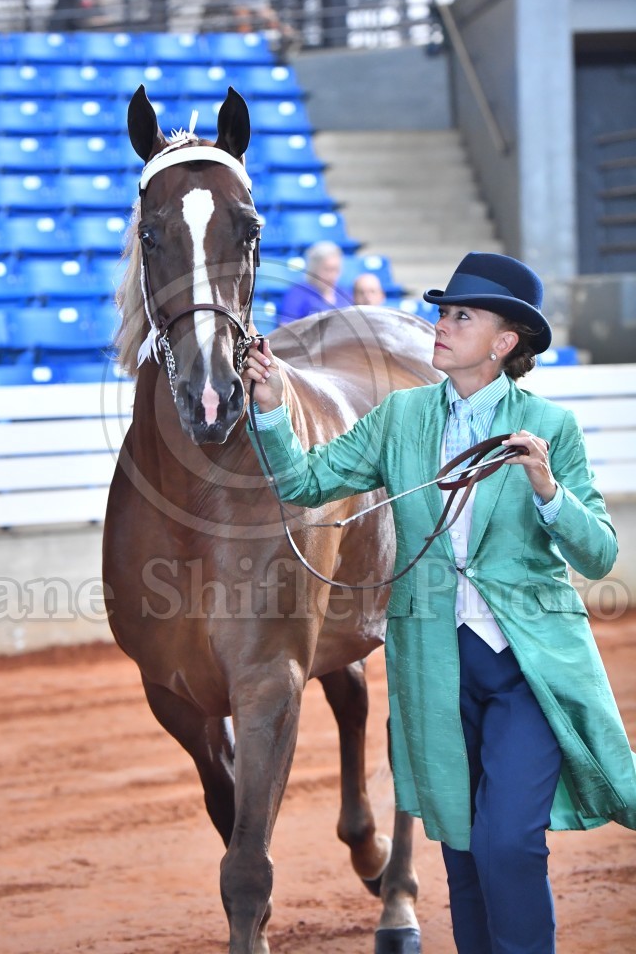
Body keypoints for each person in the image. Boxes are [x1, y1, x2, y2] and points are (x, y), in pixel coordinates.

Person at [244, 251, 636, 954]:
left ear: (505, 341)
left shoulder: (551, 427)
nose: (442, 323)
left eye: (462, 315)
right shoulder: (401, 418)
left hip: (529, 668)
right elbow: (304, 483)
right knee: (460, 844)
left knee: (508, 842)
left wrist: (548, 491)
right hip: (433, 665)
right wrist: (272, 411)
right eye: (442, 311)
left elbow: (599, 554)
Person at [279, 241, 346, 323]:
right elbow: (286, 328)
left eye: (335, 269)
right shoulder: (298, 293)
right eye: (327, 270)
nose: (332, 276)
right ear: (314, 269)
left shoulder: (344, 294)